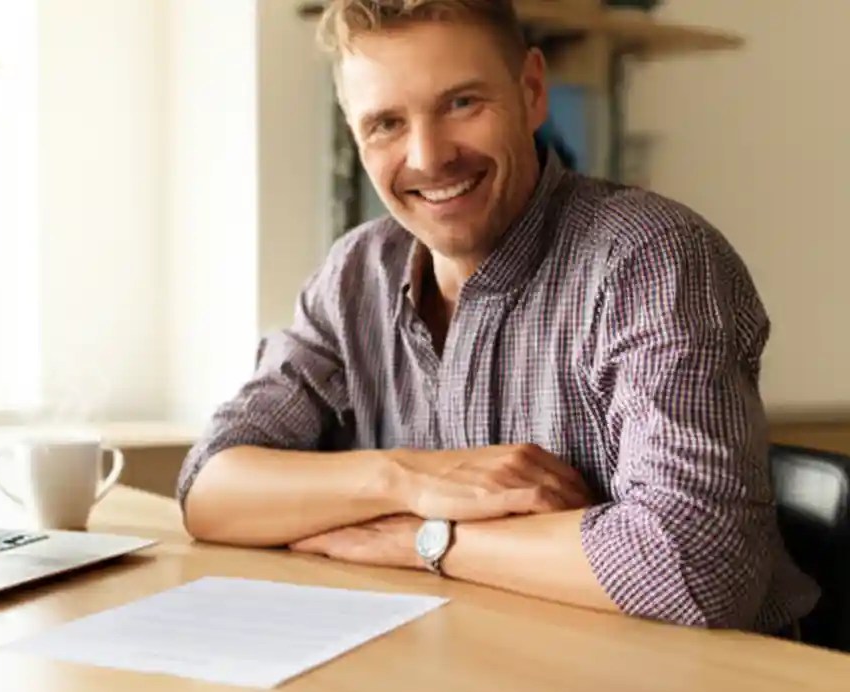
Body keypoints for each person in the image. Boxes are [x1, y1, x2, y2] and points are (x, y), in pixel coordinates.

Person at [176, 0, 819, 633]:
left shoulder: (649, 258)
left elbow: (695, 563)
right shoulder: (355, 273)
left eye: (461, 103)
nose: (428, 157)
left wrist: (424, 541)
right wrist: (407, 479)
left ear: (532, 90)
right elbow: (212, 488)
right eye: (386, 124)